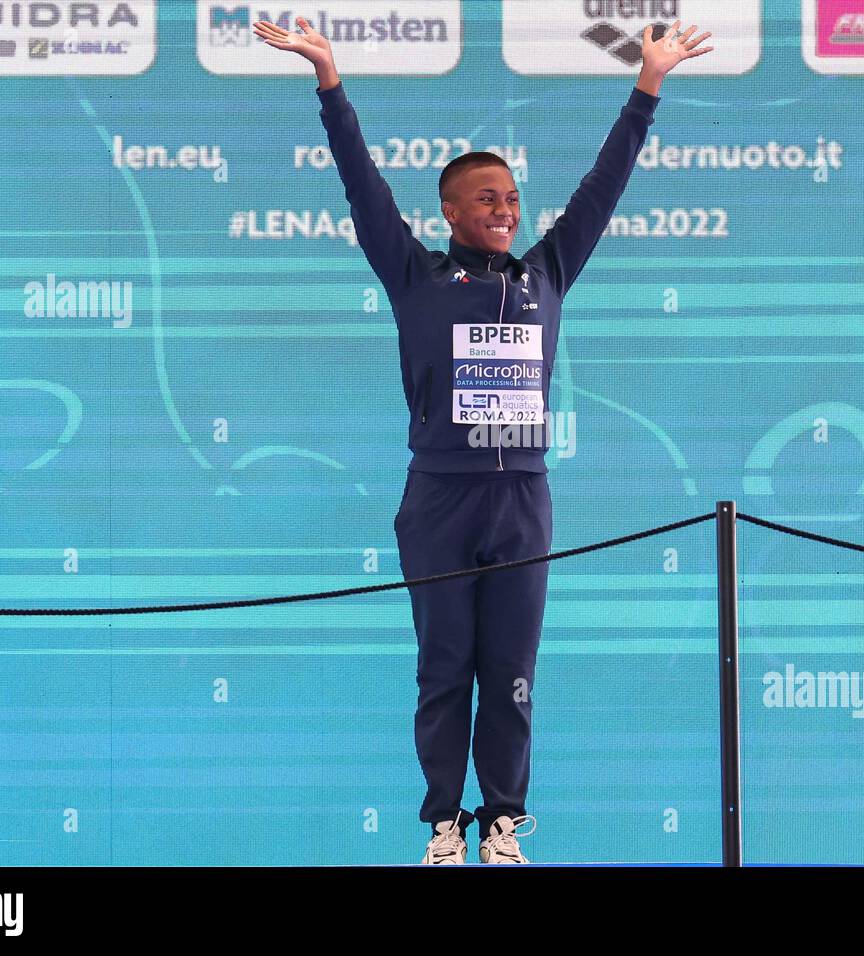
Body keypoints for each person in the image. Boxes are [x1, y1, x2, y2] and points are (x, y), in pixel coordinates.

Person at [253, 15, 713, 864]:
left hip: (521, 501)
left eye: (511, 199)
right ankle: (442, 825)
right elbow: (361, 184)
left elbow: (604, 185)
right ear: (452, 212)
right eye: (487, 200)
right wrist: (328, 79)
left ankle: (503, 819)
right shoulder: (413, 273)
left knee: (510, 674)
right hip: (439, 499)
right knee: (444, 670)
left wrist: (648, 83)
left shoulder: (548, 271)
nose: (505, 210)